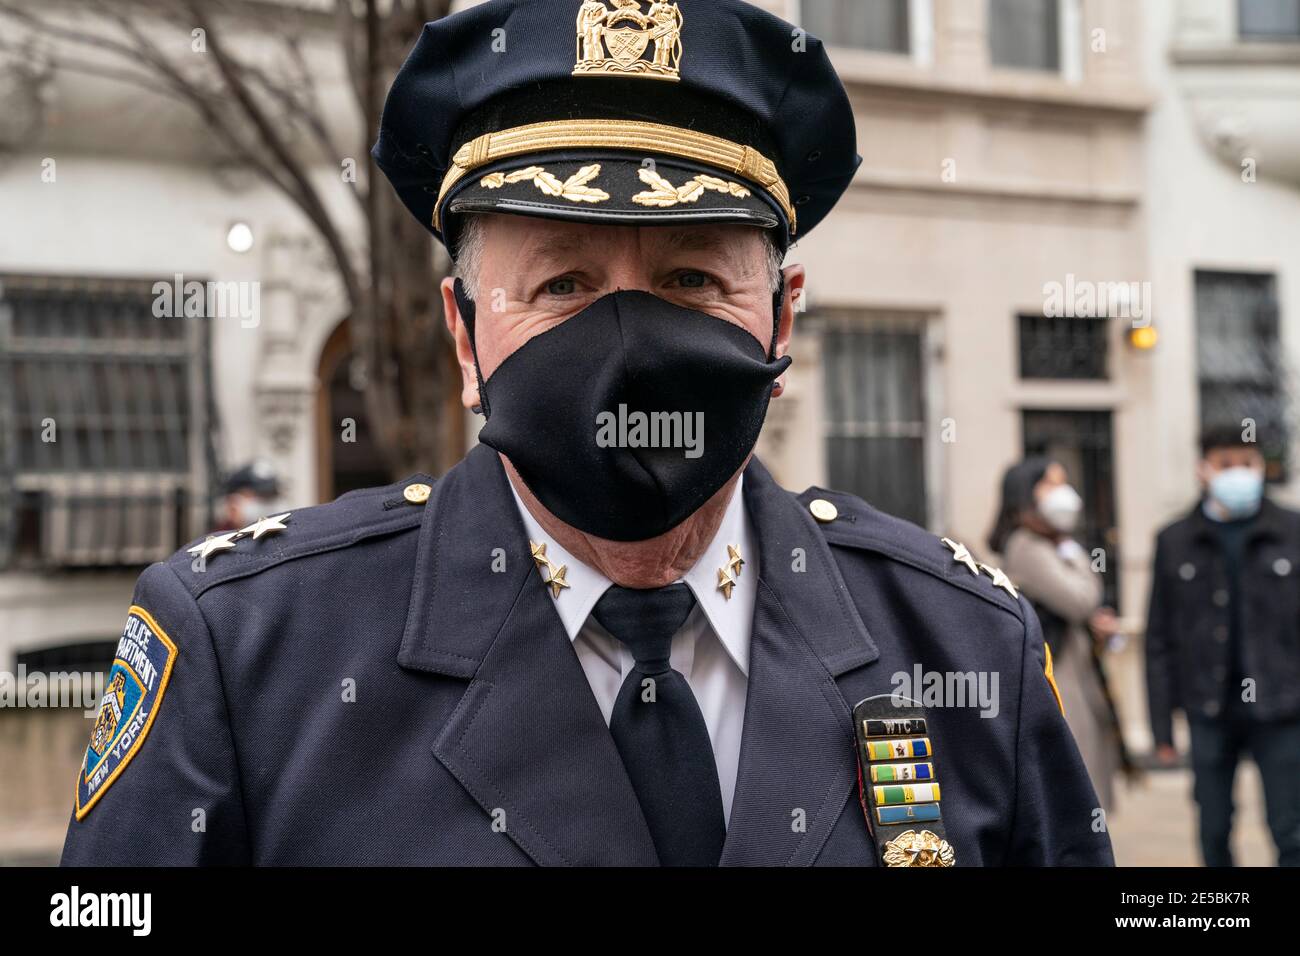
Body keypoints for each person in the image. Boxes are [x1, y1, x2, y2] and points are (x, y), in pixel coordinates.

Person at [60, 0, 1111, 867]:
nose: (628, 344)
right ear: (465, 336)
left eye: (689, 279)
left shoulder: (970, 646)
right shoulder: (248, 654)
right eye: (562, 282)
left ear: (782, 319)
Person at [1145, 425, 1300, 866]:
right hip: (1208, 708)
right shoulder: (1175, 539)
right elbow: (1158, 637)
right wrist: (1162, 729)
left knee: (1290, 829)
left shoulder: (1291, 530)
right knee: (1213, 829)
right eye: (1225, 464)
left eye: (1247, 464)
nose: (1238, 473)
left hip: (1283, 708)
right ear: (1203, 470)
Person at [988, 458, 1128, 811]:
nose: (1062, 493)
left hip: (1079, 674)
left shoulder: (1051, 544)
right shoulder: (1027, 545)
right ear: (1026, 492)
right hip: (1059, 679)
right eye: (1050, 484)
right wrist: (1075, 554)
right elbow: (1080, 600)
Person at [213, 460, 281, 533]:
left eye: (269, 495)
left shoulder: (283, 535)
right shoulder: (217, 538)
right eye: (257, 495)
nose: (264, 503)